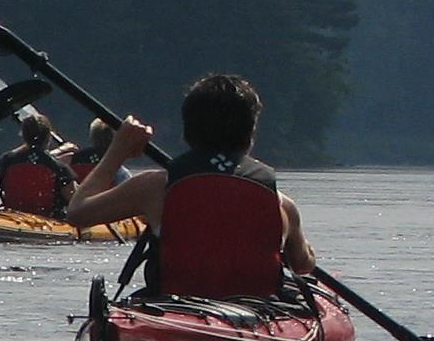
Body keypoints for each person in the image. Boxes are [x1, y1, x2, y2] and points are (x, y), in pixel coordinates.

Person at [63, 73, 316, 297]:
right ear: (250, 136)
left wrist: (117, 151)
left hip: (176, 307)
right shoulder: (280, 204)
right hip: (257, 314)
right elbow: (303, 265)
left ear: (187, 133)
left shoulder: (154, 188)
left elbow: (77, 213)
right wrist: (306, 251)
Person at [0, 110, 74, 216]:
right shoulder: (59, 167)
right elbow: (72, 200)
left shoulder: (7, 160)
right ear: (48, 138)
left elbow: (29, 158)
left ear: (23, 135)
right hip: (49, 217)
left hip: (14, 215)